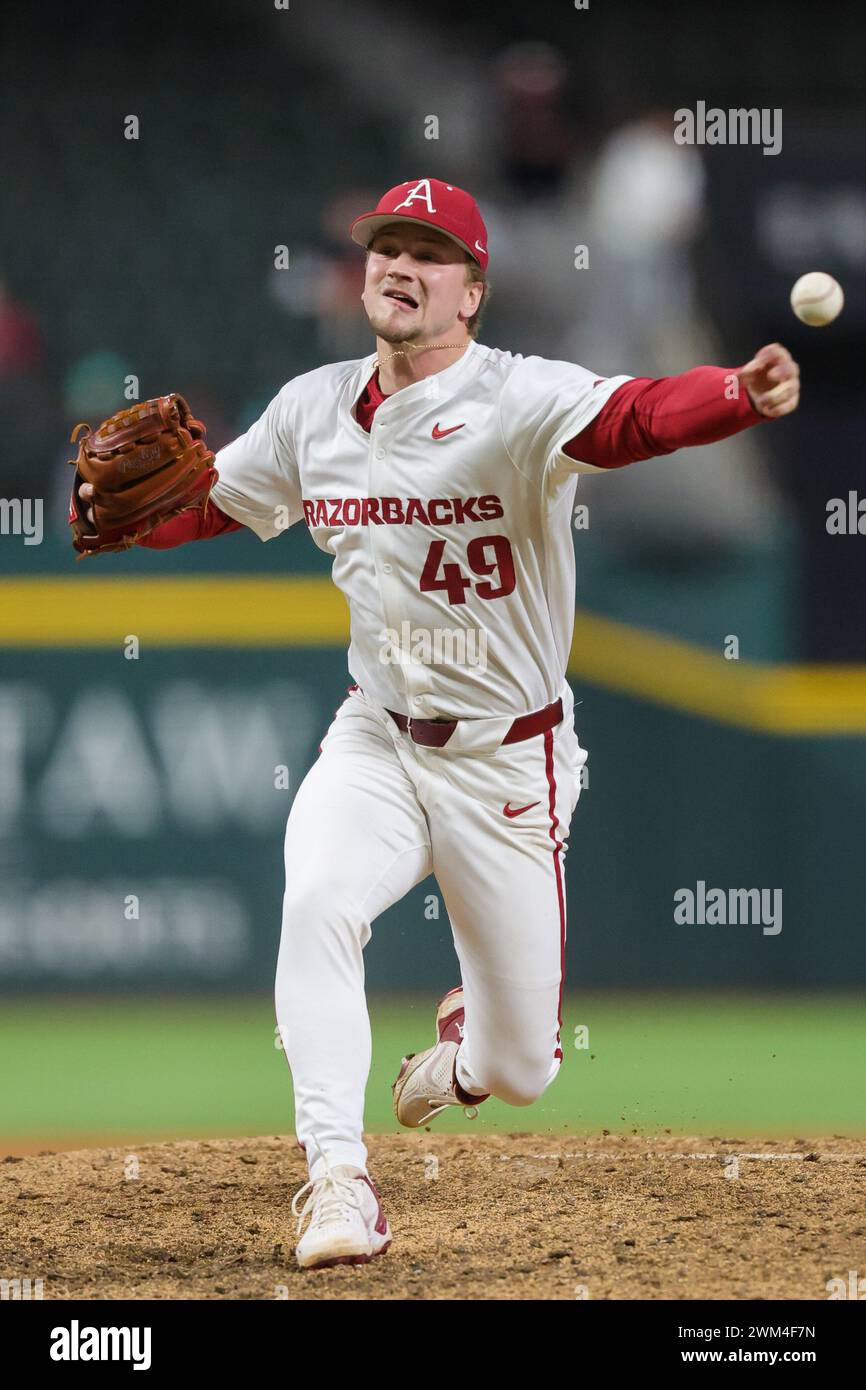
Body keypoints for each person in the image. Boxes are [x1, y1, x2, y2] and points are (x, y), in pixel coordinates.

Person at [77, 178, 800, 1270]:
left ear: (472, 289)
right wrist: (125, 525)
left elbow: (631, 418)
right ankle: (335, 1179)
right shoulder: (311, 407)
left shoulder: (519, 397)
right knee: (317, 898)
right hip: (375, 734)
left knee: (524, 1072)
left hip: (509, 761)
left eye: (429, 253)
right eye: (384, 250)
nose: (399, 267)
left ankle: (466, 1055)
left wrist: (732, 397)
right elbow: (209, 502)